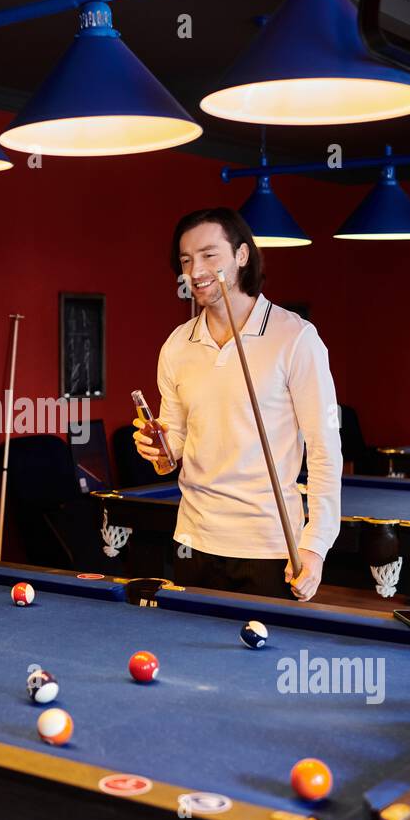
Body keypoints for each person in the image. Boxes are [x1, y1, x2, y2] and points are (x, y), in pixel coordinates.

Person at [133, 208, 342, 601]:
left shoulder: (295, 338)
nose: (196, 270)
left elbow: (324, 449)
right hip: (193, 541)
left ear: (241, 255)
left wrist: (315, 546)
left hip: (270, 549)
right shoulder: (177, 344)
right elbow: (171, 445)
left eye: (210, 256)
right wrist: (158, 448)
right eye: (186, 259)